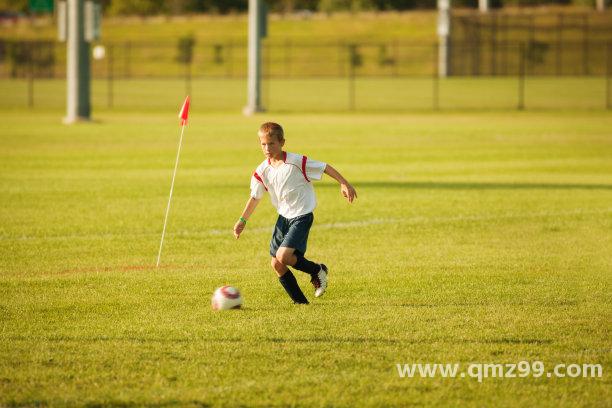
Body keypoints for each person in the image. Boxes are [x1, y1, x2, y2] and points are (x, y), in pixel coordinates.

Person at [233, 122, 357, 304]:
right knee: (277, 263)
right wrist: (242, 220)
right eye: (263, 144)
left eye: (271, 144)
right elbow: (255, 197)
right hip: (284, 217)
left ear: (282, 142)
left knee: (284, 256)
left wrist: (343, 182)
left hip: (302, 215)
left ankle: (317, 270)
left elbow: (324, 167)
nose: (267, 148)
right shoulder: (262, 171)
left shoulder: (297, 162)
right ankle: (301, 303)